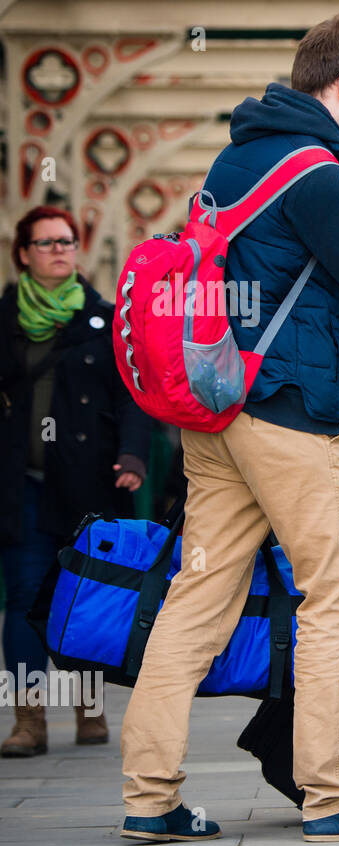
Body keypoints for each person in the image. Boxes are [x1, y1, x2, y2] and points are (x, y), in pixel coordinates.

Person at [117, 14, 339, 843]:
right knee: (336, 596)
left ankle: (148, 795)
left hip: (222, 414)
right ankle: (334, 794)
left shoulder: (237, 157)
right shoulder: (313, 172)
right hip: (295, 418)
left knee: (197, 598)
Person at [0, 206, 150, 756]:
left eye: (66, 241)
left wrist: (133, 456)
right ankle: (29, 720)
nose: (60, 250)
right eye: (46, 243)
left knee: (86, 597)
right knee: (21, 597)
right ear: (23, 254)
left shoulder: (105, 319)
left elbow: (133, 396)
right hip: (21, 485)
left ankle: (90, 706)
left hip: (88, 482)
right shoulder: (4, 321)